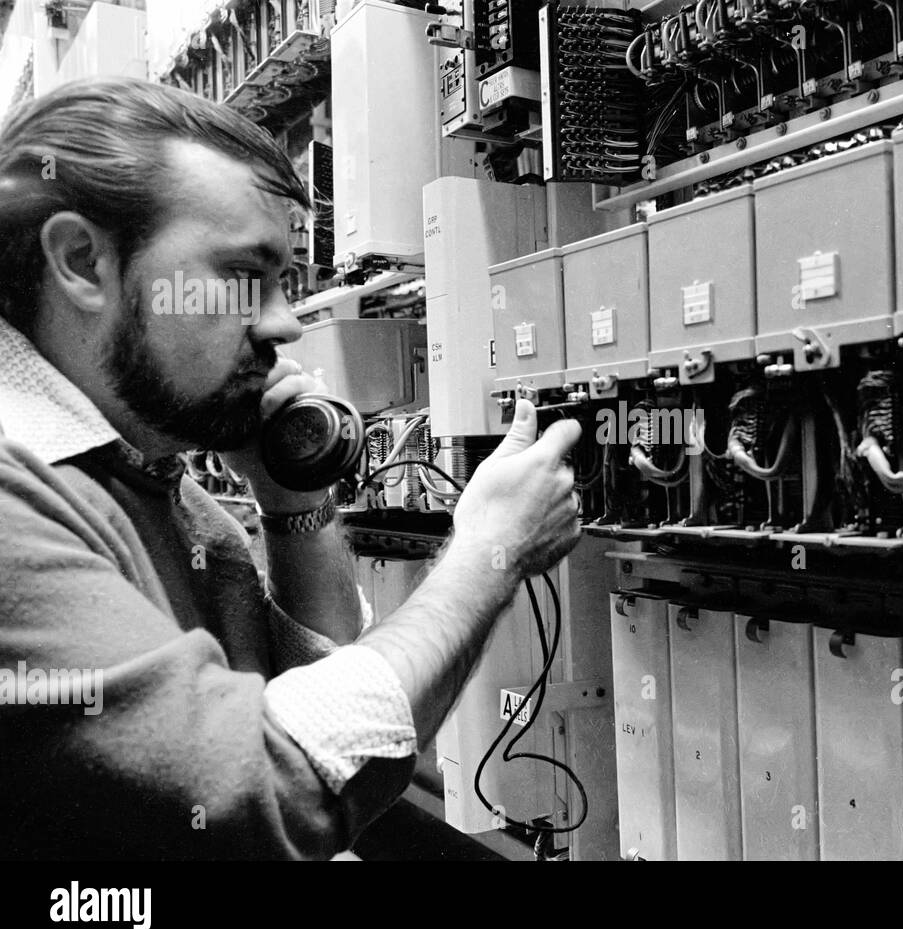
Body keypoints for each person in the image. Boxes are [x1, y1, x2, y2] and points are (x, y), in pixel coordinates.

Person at [0, 77, 582, 859]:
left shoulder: (159, 487)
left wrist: (291, 496)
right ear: (81, 260)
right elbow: (267, 790)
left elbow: (345, 729)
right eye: (245, 275)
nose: (283, 323)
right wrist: (487, 556)